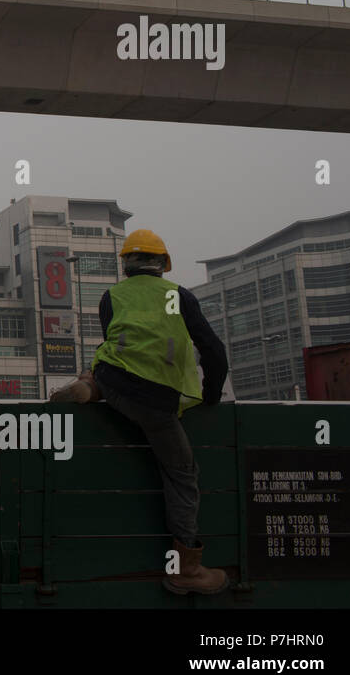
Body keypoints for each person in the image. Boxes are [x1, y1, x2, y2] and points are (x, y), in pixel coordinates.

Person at [49, 229, 230, 595]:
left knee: (106, 366)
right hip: (156, 401)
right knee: (182, 475)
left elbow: (116, 340)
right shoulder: (178, 297)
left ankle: (88, 386)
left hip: (113, 380)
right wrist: (211, 394)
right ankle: (186, 570)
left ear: (126, 265)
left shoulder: (112, 296)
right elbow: (212, 350)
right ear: (163, 265)